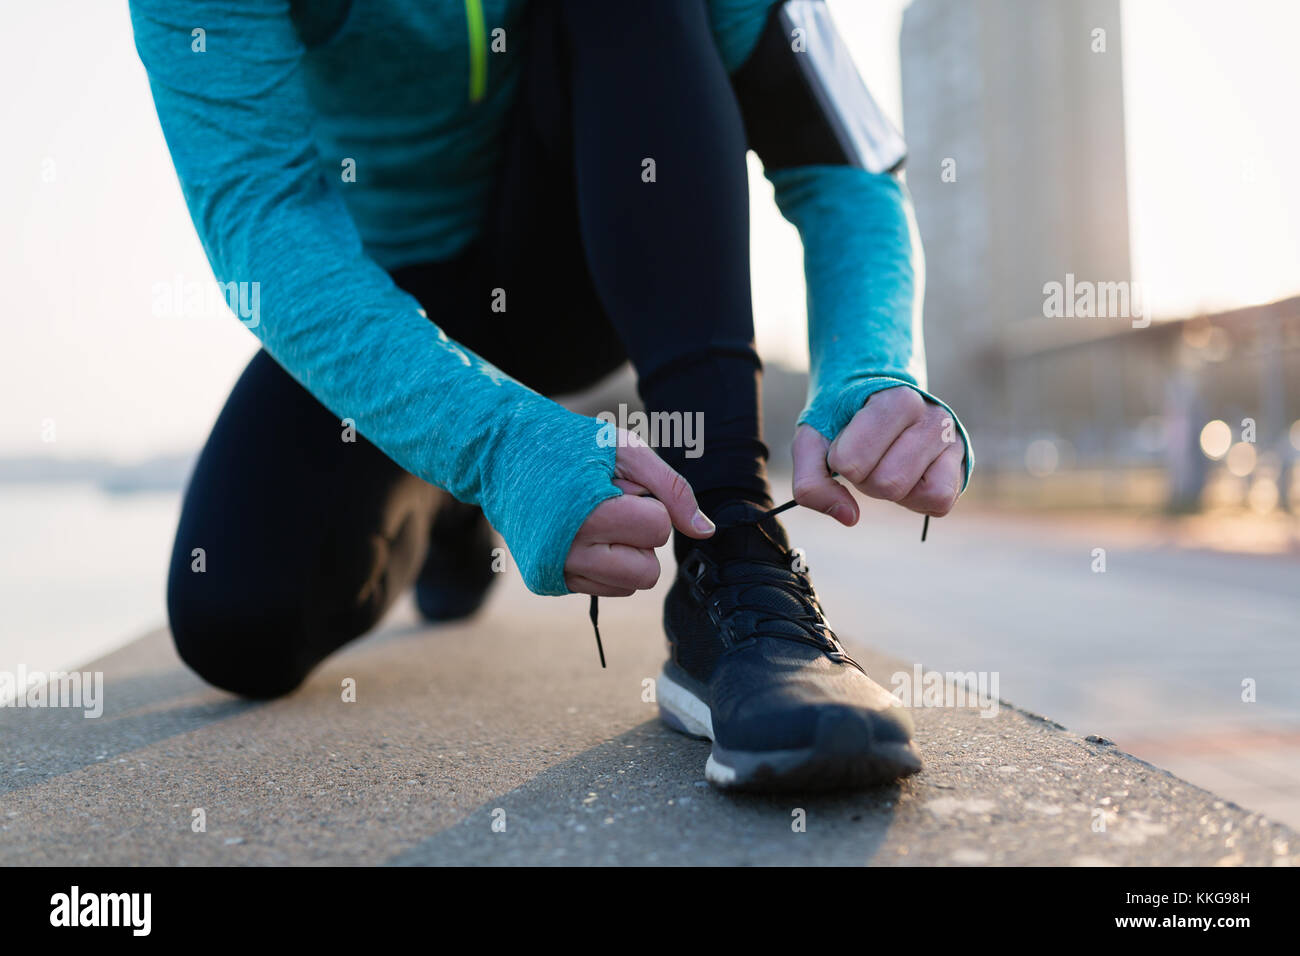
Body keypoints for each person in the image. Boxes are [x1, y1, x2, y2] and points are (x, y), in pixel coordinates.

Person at [130, 0, 971, 792]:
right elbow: (260, 214)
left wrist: (872, 363)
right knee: (236, 624)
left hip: (580, 264)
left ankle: (733, 560)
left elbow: (840, 165)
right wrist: (492, 448)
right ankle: (451, 504)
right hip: (381, 304)